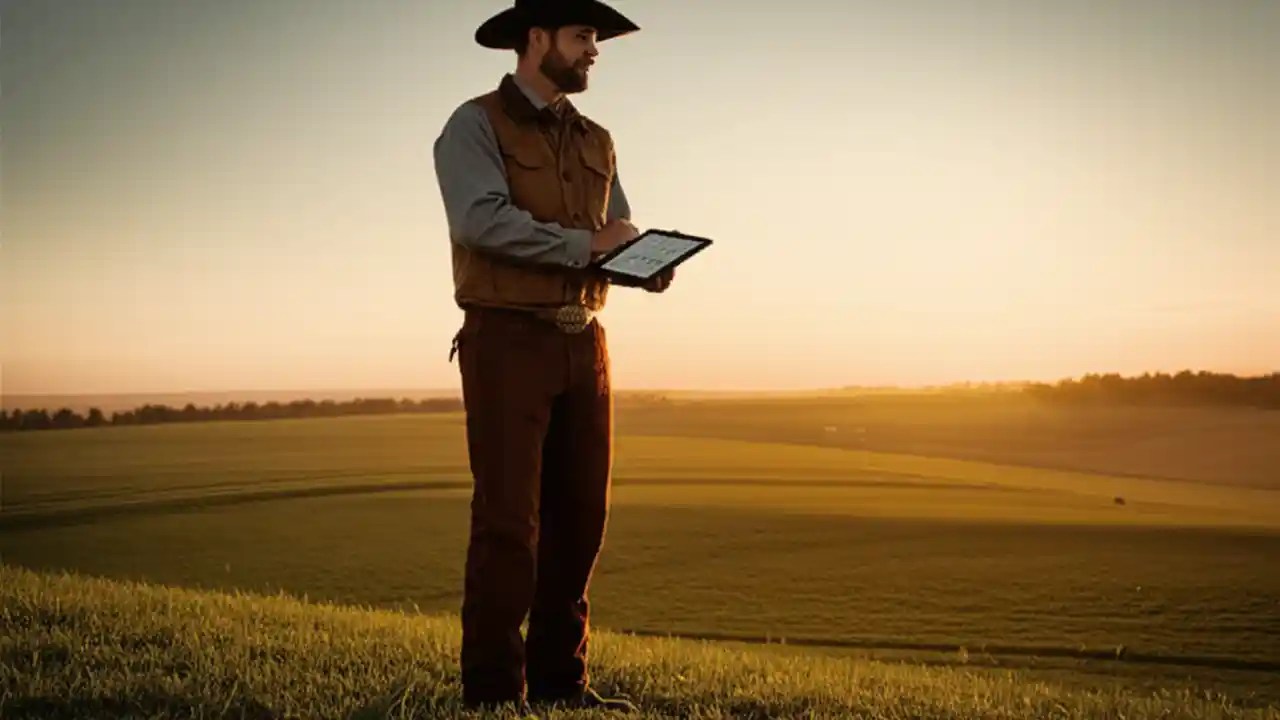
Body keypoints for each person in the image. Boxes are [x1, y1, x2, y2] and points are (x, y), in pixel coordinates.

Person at [431, 0, 671, 713]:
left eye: (596, 38)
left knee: (580, 518)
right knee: (508, 521)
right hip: (506, 339)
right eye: (583, 36)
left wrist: (642, 263)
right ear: (537, 40)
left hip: (585, 342)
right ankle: (494, 693)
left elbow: (614, 232)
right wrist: (587, 248)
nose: (595, 50)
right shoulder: (472, 124)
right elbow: (479, 221)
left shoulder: (599, 138)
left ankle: (562, 685)